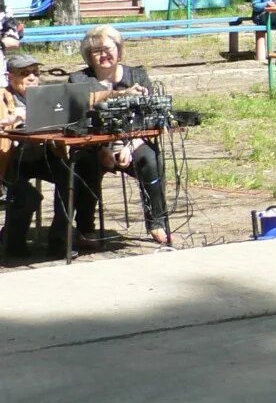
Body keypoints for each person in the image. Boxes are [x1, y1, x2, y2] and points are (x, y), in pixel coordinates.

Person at [69, 26, 173, 248]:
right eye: (96, 51)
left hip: (132, 143)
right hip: (94, 147)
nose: (103, 55)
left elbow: (151, 116)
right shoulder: (78, 80)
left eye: (108, 48)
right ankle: (86, 229)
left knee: (151, 159)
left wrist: (131, 144)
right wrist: (101, 148)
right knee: (85, 164)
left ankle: (156, 221)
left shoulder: (137, 76)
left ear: (119, 49)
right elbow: (77, 123)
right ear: (88, 56)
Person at [1, 52, 77, 259]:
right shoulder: (1, 97)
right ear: (10, 77)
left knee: (71, 181)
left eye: (35, 72)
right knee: (29, 197)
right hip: (9, 161)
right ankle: (12, 242)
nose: (32, 77)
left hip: (44, 155)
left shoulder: (49, 97)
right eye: (25, 73)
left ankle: (59, 240)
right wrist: (8, 121)